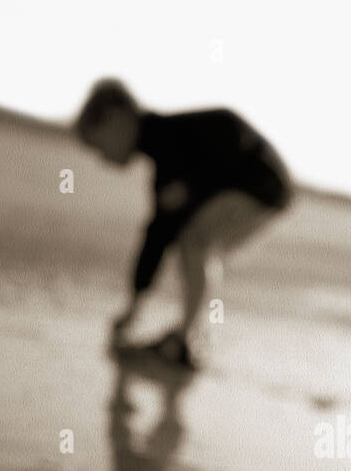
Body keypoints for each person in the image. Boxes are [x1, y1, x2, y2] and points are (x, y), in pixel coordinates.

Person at [76, 79, 293, 367]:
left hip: (264, 184)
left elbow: (229, 127)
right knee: (191, 242)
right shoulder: (166, 153)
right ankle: (189, 336)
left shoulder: (171, 140)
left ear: (117, 118)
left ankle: (185, 340)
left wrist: (196, 186)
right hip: (264, 187)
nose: (103, 158)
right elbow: (158, 234)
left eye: (99, 145)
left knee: (194, 240)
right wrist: (133, 308)